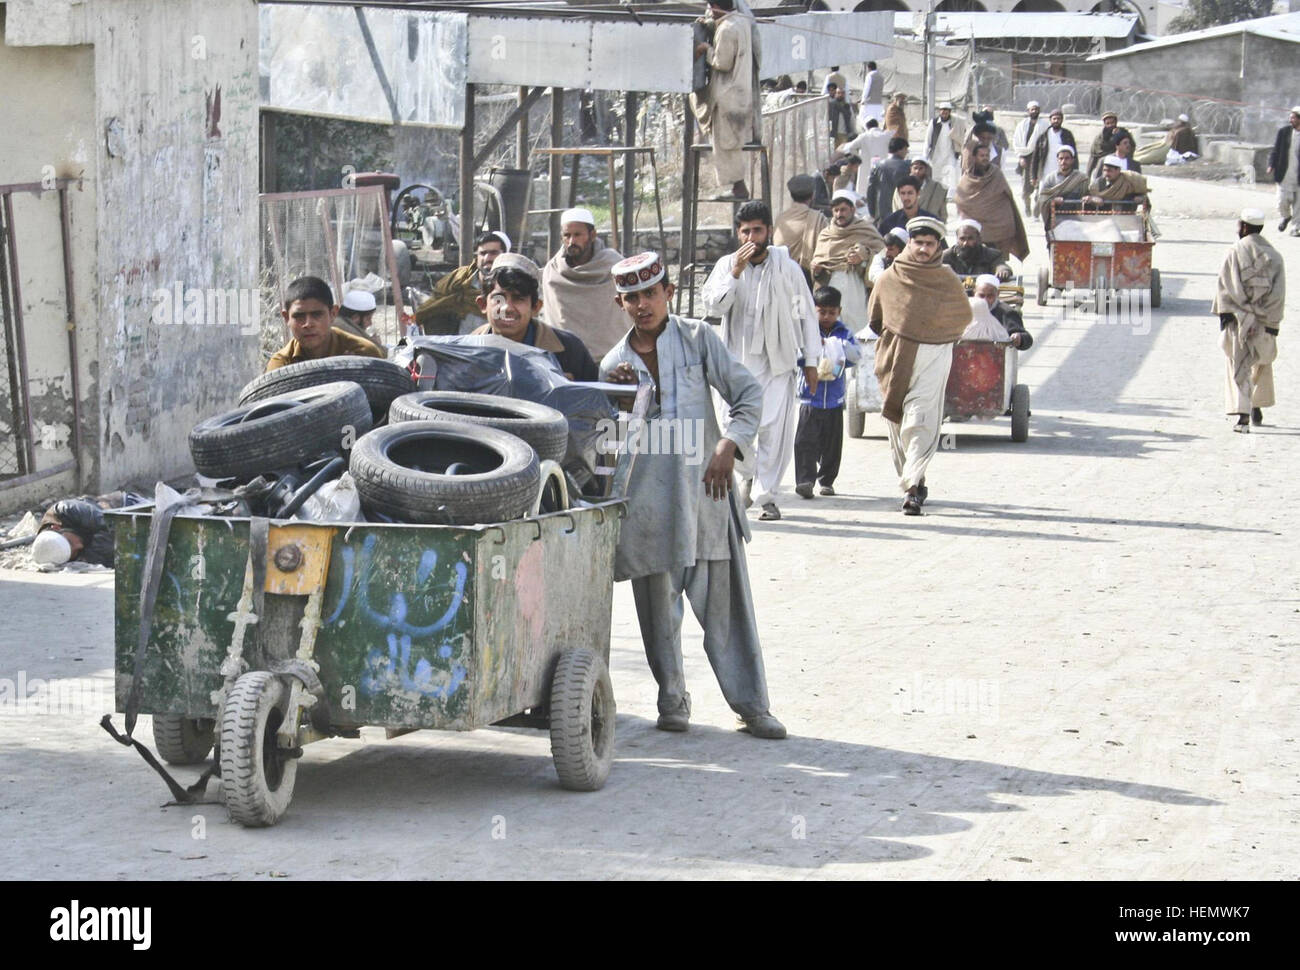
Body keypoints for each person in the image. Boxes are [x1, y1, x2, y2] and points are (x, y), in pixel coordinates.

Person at [600, 252, 787, 739]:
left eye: (651, 294)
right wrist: (613, 401)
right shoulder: (612, 364)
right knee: (658, 614)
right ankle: (672, 698)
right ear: (620, 302)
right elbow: (608, 447)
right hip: (650, 509)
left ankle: (752, 704)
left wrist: (729, 444)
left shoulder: (700, 339)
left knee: (727, 611)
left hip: (707, 497)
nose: (643, 305)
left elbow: (748, 396)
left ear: (668, 293)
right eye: (632, 298)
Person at [701, 201, 821, 522]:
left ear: (769, 231)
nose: (752, 237)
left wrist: (811, 361)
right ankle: (749, 473)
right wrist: (735, 275)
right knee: (730, 429)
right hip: (735, 365)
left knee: (772, 431)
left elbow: (805, 315)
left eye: (758, 230)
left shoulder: (788, 269)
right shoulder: (727, 265)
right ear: (737, 234)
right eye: (745, 231)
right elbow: (713, 306)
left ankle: (767, 497)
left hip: (776, 363)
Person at [868, 216, 971, 515]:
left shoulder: (946, 278)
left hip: (934, 354)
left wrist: (933, 333)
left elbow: (962, 316)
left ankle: (911, 489)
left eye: (930, 244)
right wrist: (902, 332)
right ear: (909, 243)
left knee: (920, 420)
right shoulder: (889, 278)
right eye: (919, 243)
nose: (924, 249)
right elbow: (876, 318)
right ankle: (916, 477)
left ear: (938, 246)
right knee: (898, 423)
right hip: (895, 357)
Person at [1212, 209, 1285, 431]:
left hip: (1238, 320)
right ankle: (1257, 405)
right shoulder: (1275, 256)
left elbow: (1225, 287)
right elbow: (1278, 294)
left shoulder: (1234, 252)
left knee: (1237, 363)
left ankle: (1242, 413)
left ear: (1244, 227)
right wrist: (1270, 322)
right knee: (1261, 364)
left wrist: (1228, 316)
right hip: (1264, 321)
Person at [471, 255, 598, 381]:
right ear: (483, 304)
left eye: (518, 299)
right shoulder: (467, 349)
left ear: (535, 308)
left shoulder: (569, 349)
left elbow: (594, 397)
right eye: (499, 299)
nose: (507, 308)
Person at [794, 286, 861, 500]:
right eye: (821, 312)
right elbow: (795, 354)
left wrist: (836, 346)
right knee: (805, 441)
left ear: (839, 312)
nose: (826, 317)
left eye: (831, 313)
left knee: (831, 445)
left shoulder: (844, 333)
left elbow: (855, 355)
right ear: (813, 310)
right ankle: (805, 480)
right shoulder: (805, 332)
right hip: (809, 398)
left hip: (834, 399)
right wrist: (812, 347)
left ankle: (827, 480)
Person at [540, 207, 628, 360]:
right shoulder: (553, 272)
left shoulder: (615, 267)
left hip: (613, 359)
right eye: (567, 236)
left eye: (577, 235)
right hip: (567, 361)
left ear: (592, 235)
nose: (572, 241)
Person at [691, 0, 756, 200]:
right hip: (740, 93)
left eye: (712, 8)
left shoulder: (727, 30)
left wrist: (705, 48)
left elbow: (723, 62)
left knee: (726, 143)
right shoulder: (741, 21)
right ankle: (737, 186)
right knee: (730, 142)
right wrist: (710, 25)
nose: (710, 11)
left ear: (718, 6)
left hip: (727, 95)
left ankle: (738, 187)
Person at [267, 276, 385, 371]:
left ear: (333, 314)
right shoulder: (281, 364)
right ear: (287, 318)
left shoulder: (363, 353)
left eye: (317, 314)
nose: (308, 324)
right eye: (299, 316)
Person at [813, 189, 885, 332]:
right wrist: (817, 270)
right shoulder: (826, 234)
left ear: (852, 209)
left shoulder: (866, 230)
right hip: (831, 288)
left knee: (856, 329)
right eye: (836, 210)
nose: (840, 214)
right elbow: (818, 262)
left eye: (843, 210)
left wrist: (865, 255)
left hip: (856, 287)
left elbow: (882, 254)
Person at [413, 231, 509, 335]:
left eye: (493, 253)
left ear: (504, 255)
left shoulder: (512, 286)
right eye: (483, 253)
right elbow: (434, 304)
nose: (487, 258)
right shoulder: (459, 281)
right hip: (459, 347)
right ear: (476, 257)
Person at [955, 143, 1030, 262]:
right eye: (982, 155)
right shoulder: (967, 178)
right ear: (974, 157)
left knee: (998, 260)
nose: (985, 158)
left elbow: (1008, 196)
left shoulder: (996, 174)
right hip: (977, 229)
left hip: (998, 228)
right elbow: (960, 199)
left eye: (987, 155)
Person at [30, 492, 143, 568]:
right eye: (73, 553)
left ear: (57, 528)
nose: (79, 546)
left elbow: (116, 527)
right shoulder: (55, 553)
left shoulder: (67, 510)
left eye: (70, 542)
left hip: (130, 505)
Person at [773, 174, 830, 284]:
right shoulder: (819, 219)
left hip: (781, 276)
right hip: (806, 278)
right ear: (813, 195)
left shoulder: (780, 219)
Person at [1027, 109, 1075, 214]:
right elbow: (1035, 158)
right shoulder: (1043, 137)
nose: (1056, 121)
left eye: (1058, 118)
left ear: (1062, 120)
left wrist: (1074, 172)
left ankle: (1056, 215)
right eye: (1054, 118)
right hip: (1045, 171)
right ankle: (1037, 214)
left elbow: (1073, 155)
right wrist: (1033, 175)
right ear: (1050, 120)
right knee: (1042, 194)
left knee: (1060, 195)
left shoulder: (1067, 135)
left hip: (1063, 170)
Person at [835, 118, 892, 200]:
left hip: (865, 165)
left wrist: (857, 157)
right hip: (882, 165)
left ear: (867, 127)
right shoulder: (886, 136)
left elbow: (850, 147)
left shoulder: (864, 136)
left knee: (864, 189)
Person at [972, 275, 1033, 349]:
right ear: (974, 293)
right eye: (981, 296)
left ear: (997, 294)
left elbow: (1027, 339)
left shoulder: (1006, 313)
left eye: (990, 296)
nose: (985, 300)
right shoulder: (965, 311)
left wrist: (1019, 338)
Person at [1035, 145, 1089, 227]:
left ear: (1072, 160)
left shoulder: (1081, 178)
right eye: (1061, 158)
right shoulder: (1050, 178)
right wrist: (1052, 200)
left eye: (1067, 158)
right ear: (1057, 160)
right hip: (1055, 221)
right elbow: (1042, 198)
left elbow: (1087, 196)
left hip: (1076, 221)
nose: (1063, 161)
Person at [1266, 106, 1300, 235]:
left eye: (1293, 117)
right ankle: (1286, 216)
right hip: (1284, 173)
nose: (1290, 119)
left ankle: (1296, 228)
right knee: (1281, 201)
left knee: (1298, 205)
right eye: (1290, 117)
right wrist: (1271, 165)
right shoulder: (1284, 132)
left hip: (1299, 175)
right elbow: (1275, 150)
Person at [942, 219, 1012, 281]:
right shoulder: (945, 256)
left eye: (970, 239)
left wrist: (1003, 270)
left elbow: (1000, 265)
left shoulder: (992, 255)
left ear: (978, 238)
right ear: (957, 239)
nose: (965, 243)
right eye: (962, 239)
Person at [1012, 101, 1047, 209]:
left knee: (1039, 183)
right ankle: (1027, 205)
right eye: (1032, 109)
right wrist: (1021, 157)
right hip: (1026, 158)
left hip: (1040, 158)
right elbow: (1016, 142)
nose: (1034, 111)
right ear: (1028, 111)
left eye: (1036, 109)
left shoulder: (1044, 125)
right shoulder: (1022, 125)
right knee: (1025, 188)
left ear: (1039, 110)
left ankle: (1037, 206)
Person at [925, 101, 966, 191]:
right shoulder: (934, 123)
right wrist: (925, 156)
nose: (944, 112)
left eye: (947, 110)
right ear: (939, 111)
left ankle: (951, 195)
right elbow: (927, 140)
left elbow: (962, 134)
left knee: (952, 175)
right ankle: (936, 194)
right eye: (943, 110)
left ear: (950, 111)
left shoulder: (954, 123)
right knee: (936, 177)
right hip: (936, 154)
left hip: (950, 153)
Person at [867, 136, 911, 221]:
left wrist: (872, 211)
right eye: (906, 150)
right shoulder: (907, 166)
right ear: (901, 149)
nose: (906, 153)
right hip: (901, 208)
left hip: (881, 210)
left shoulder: (877, 166)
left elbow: (870, 190)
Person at [895, 158, 948, 224]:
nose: (917, 171)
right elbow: (896, 207)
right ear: (911, 169)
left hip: (929, 226)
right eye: (915, 168)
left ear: (926, 170)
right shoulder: (902, 187)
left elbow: (943, 213)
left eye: (921, 168)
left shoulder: (937, 188)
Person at [1086, 155, 1150, 208]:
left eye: (1109, 171)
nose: (1106, 174)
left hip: (1127, 219)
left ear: (1118, 170)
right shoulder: (1097, 184)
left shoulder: (1129, 182)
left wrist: (1140, 198)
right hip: (1103, 220)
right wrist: (1092, 199)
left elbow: (1144, 197)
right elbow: (1086, 196)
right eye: (1104, 170)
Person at [1087, 110, 1120, 179]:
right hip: (1102, 170)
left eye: (1112, 123)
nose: (1110, 125)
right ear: (1104, 124)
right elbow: (1093, 157)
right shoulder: (1099, 138)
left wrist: (1117, 137)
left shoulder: (1122, 135)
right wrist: (1088, 176)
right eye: (1108, 123)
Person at [827, 83, 856, 149]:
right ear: (835, 94)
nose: (840, 95)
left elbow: (852, 120)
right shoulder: (831, 105)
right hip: (834, 134)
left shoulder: (847, 106)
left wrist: (853, 132)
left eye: (842, 93)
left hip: (844, 133)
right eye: (838, 93)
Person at [860, 61, 884, 129]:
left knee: (864, 118)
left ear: (869, 68)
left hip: (869, 102)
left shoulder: (870, 75)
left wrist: (863, 100)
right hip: (878, 102)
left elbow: (866, 89)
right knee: (875, 120)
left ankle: (868, 132)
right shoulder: (881, 76)